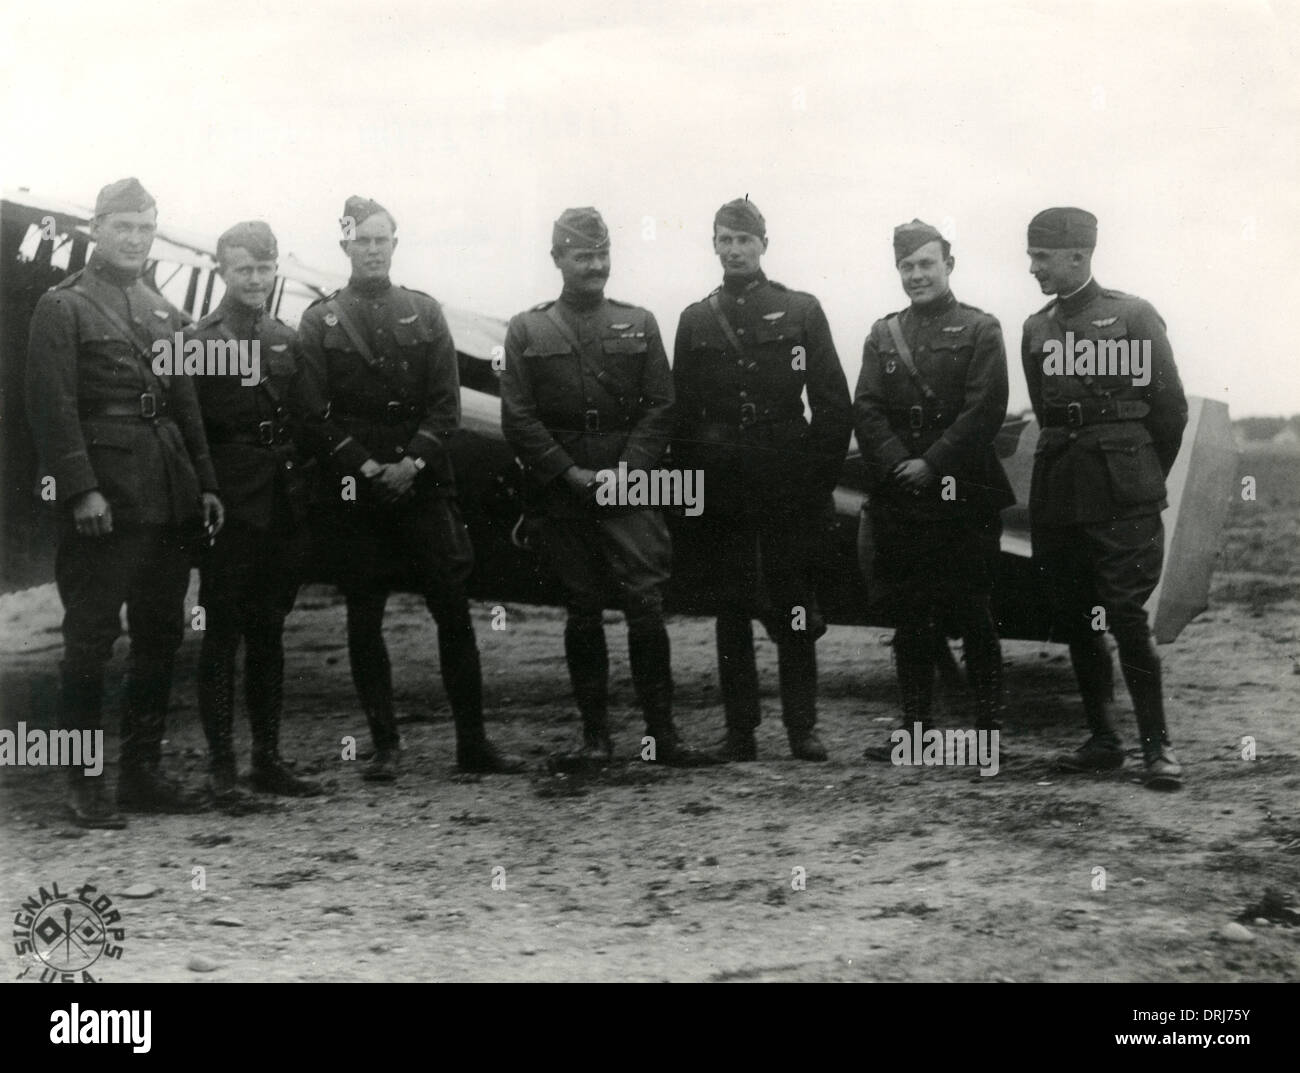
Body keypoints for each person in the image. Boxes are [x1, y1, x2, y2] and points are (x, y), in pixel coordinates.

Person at [296, 196, 523, 781]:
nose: (372, 249)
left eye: (382, 239)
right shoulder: (319, 321)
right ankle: (386, 746)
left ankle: (473, 743)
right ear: (344, 245)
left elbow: (445, 406)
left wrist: (410, 465)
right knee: (364, 614)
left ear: (395, 244)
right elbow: (314, 414)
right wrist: (367, 468)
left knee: (451, 608)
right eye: (361, 240)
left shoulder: (425, 313)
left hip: (421, 485)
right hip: (361, 489)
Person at [25, 177, 224, 827]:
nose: (136, 240)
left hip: (165, 494)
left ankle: (143, 773)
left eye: (145, 228)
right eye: (123, 228)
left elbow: (186, 404)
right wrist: (82, 488)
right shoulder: (64, 307)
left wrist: (206, 483)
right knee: (89, 640)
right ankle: (83, 784)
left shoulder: (161, 309)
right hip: (106, 497)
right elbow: (51, 407)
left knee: (161, 633)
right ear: (96, 229)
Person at [500, 207, 718, 767]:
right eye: (582, 255)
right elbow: (518, 416)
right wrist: (567, 473)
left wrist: (629, 471)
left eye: (602, 254)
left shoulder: (639, 321)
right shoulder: (529, 328)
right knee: (582, 609)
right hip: (564, 488)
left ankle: (662, 736)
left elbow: (661, 405)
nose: (595, 265)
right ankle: (595, 740)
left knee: (646, 605)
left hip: (630, 485)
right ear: (558, 260)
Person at [673, 197, 852, 762]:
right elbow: (683, 417)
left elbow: (831, 405)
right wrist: (694, 491)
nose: (734, 251)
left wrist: (816, 480)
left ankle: (803, 728)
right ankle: (740, 732)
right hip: (725, 482)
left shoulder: (800, 310)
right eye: (724, 240)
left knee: (795, 604)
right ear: (714, 246)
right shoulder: (696, 319)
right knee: (731, 606)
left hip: (787, 478)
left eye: (744, 240)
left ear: (763, 245)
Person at [1021, 207, 1188, 789]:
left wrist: (1138, 476)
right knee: (1074, 613)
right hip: (1061, 488)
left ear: (1079, 256)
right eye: (1031, 256)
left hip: (1122, 493)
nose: (1034, 268)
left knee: (1125, 615)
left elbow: (1169, 412)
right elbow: (1047, 413)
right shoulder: (1035, 328)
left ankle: (1156, 747)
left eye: (1043, 257)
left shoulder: (1133, 315)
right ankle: (1103, 740)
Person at [854, 220, 1014, 759]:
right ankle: (917, 732)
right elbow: (868, 408)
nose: (917, 275)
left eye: (926, 264)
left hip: (964, 489)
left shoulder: (981, 329)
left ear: (949, 264)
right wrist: (903, 463)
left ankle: (986, 734)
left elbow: (985, 409)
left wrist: (934, 462)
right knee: (910, 613)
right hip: (904, 494)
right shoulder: (883, 333)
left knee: (974, 610)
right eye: (907, 266)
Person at [189, 221, 321, 800]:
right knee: (222, 632)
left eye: (265, 269)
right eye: (243, 269)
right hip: (231, 501)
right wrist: (206, 490)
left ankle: (267, 759)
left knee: (270, 630)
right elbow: (187, 428)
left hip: (282, 499)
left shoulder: (286, 338)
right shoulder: (198, 341)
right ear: (222, 271)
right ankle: (222, 769)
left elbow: (309, 418)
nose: (256, 279)